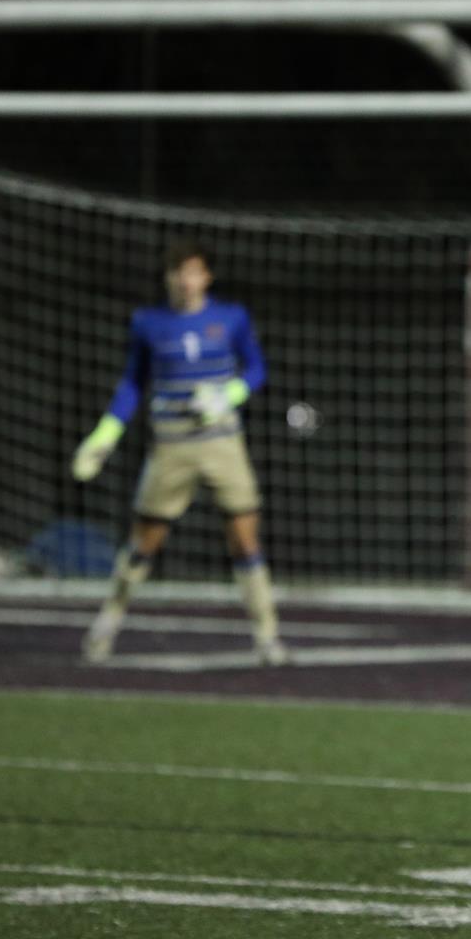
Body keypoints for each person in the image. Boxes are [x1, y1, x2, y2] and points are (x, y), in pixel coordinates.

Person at [71, 238, 287, 666]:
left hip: (222, 443)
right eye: (177, 273)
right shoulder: (148, 323)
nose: (186, 281)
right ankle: (106, 627)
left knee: (245, 537)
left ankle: (267, 637)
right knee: (144, 542)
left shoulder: (231, 318)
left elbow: (257, 369)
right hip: (171, 446)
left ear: (206, 276)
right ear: (168, 278)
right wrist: (105, 435)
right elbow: (133, 384)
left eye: (193, 272)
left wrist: (228, 395)